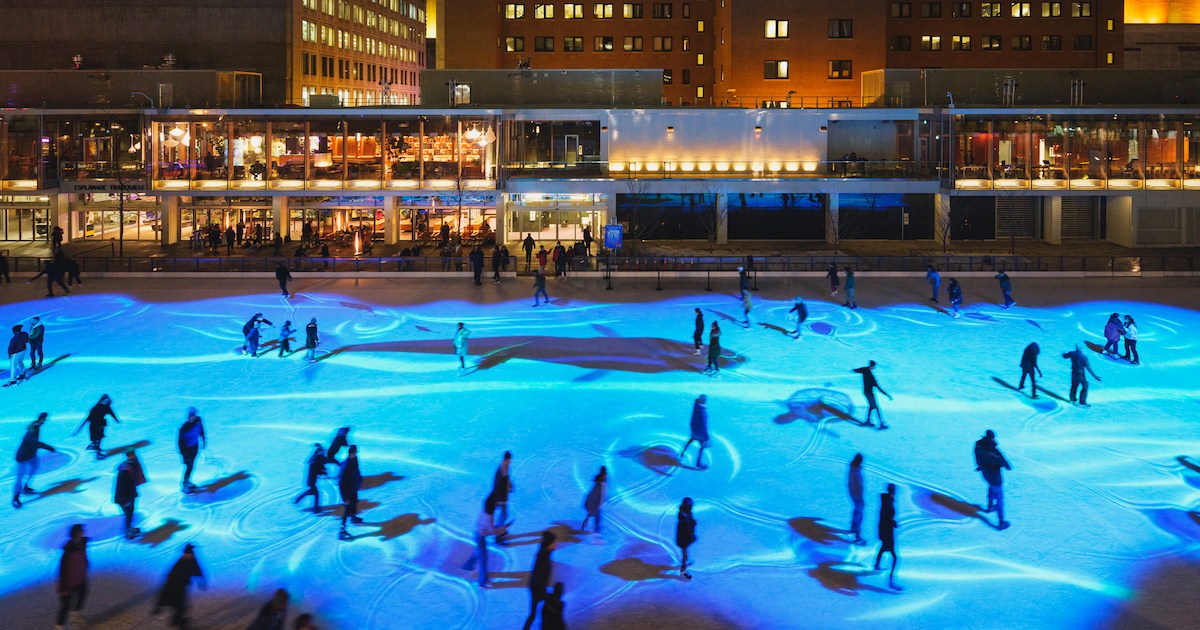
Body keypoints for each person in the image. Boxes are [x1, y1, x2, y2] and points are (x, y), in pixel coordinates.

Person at [462, 493, 509, 587]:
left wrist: (497, 529)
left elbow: (487, 528)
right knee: (483, 558)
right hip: (480, 537)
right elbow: (490, 531)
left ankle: (468, 565)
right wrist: (501, 530)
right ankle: (482, 581)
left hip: (477, 534)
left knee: (479, 551)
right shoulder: (489, 517)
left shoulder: (485, 512)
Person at [153, 544, 206, 628]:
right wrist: (158, 606)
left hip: (181, 587)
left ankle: (177, 622)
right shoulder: (180, 564)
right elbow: (166, 587)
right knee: (180, 606)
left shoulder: (190, 560)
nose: (190, 556)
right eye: (188, 554)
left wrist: (201, 581)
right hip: (176, 587)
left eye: (190, 554)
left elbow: (197, 569)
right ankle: (178, 624)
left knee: (181, 607)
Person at [12, 413, 56, 509]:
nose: (45, 421)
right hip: (23, 457)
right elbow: (34, 443)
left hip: (31, 455)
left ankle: (26, 487)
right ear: (41, 419)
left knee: (35, 466)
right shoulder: (33, 429)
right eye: (44, 419)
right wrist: (48, 447)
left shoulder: (36, 426)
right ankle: (16, 497)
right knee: (20, 477)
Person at [974, 430, 1012, 530]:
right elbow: (1006, 464)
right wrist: (1006, 466)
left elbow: (977, 457)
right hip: (995, 477)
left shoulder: (978, 445)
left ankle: (990, 506)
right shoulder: (994, 451)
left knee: (990, 486)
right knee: (999, 497)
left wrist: (980, 466)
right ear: (992, 438)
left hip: (985, 474)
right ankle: (1001, 521)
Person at [522, 531, 557, 630]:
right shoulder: (543, 557)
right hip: (537, 589)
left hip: (537, 587)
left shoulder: (545, 552)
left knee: (534, 614)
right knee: (545, 611)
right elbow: (539, 576)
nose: (556, 544)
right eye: (554, 542)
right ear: (549, 544)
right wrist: (544, 594)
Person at [56, 523, 89, 629]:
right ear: (77, 534)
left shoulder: (82, 543)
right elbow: (63, 571)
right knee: (65, 606)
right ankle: (59, 626)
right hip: (69, 582)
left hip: (80, 578)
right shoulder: (68, 552)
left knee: (83, 594)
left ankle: (74, 614)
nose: (83, 532)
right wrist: (63, 588)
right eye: (81, 531)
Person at [73, 394, 119, 459]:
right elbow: (87, 419)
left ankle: (97, 449)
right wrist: (78, 430)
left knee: (99, 438)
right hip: (94, 426)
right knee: (97, 439)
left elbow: (112, 413)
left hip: (100, 425)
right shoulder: (95, 408)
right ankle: (97, 451)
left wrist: (116, 419)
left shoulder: (106, 407)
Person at [873, 484, 900, 590]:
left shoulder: (887, 500)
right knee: (894, 557)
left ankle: (876, 565)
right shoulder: (888, 502)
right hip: (887, 532)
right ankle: (891, 581)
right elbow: (887, 517)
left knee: (884, 549)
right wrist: (893, 523)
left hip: (885, 531)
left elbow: (886, 517)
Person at [853, 361, 893, 429]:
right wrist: (887, 395)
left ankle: (868, 421)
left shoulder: (865, 370)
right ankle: (881, 423)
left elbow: (855, 370)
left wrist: (861, 369)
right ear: (873, 366)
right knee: (876, 408)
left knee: (871, 407)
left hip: (866, 392)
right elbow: (878, 387)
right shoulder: (871, 376)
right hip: (870, 394)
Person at [114, 450, 144, 539]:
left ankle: (129, 529)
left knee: (130, 513)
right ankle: (128, 531)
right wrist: (124, 500)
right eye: (132, 455)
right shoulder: (125, 469)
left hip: (130, 495)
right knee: (129, 513)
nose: (135, 456)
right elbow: (121, 486)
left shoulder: (132, 464)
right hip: (124, 497)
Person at [178, 408, 206, 494]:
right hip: (187, 450)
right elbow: (180, 442)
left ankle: (187, 481)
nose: (192, 418)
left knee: (192, 466)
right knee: (189, 466)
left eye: (193, 416)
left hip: (194, 447)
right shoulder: (184, 428)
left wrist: (204, 438)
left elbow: (201, 430)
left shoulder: (198, 421)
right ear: (188, 417)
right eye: (191, 416)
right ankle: (185, 485)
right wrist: (183, 454)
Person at [293, 444, 328, 513]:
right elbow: (318, 469)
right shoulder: (314, 462)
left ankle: (297, 500)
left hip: (311, 481)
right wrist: (323, 472)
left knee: (312, 492)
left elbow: (322, 464)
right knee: (316, 494)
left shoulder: (316, 459)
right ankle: (316, 510)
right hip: (311, 481)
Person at [338, 445, 363, 540]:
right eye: (355, 452)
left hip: (353, 487)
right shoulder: (346, 466)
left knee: (354, 503)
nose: (356, 453)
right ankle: (342, 530)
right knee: (347, 508)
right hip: (347, 490)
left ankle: (353, 517)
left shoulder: (355, 459)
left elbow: (357, 471)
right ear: (351, 453)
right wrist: (344, 498)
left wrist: (359, 481)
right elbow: (341, 483)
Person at [679, 395, 710, 469]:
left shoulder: (696, 407)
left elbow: (693, 420)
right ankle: (698, 463)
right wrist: (706, 435)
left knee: (690, 441)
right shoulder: (702, 410)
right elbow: (703, 422)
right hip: (701, 432)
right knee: (702, 447)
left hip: (694, 431)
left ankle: (682, 453)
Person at [491, 451, 514, 545]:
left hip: (499, 495)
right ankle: (499, 535)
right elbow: (505, 480)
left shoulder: (502, 465)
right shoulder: (505, 466)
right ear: (508, 459)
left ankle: (501, 531)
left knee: (503, 514)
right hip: (500, 496)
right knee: (503, 515)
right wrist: (510, 486)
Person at [676, 498, 697, 580]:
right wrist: (692, 537)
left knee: (685, 554)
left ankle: (684, 563)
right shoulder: (684, 520)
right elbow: (687, 531)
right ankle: (683, 570)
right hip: (683, 540)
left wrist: (693, 522)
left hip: (684, 539)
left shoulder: (685, 514)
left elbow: (690, 520)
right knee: (685, 555)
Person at [581, 466, 607, 533]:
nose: (605, 477)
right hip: (593, 502)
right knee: (596, 516)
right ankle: (595, 528)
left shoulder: (600, 483)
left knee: (593, 515)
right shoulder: (600, 485)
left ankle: (587, 525)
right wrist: (600, 503)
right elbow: (600, 495)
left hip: (592, 502)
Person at [848, 453, 866, 545]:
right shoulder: (855, 471)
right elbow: (858, 486)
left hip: (853, 493)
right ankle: (856, 533)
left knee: (857, 512)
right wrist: (861, 499)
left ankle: (854, 529)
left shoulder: (852, 468)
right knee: (859, 513)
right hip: (856, 495)